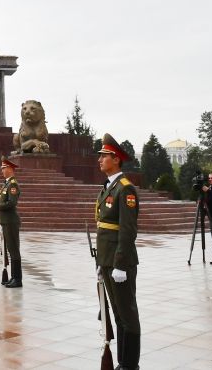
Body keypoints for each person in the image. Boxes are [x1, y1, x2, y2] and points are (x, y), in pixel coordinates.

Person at [95, 133, 140, 370]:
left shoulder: (125, 189)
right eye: (100, 156)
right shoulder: (108, 188)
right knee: (118, 315)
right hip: (108, 260)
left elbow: (127, 231)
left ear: (116, 159)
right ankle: (123, 361)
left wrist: (120, 264)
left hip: (120, 262)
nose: (99, 159)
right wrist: (101, 264)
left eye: (104, 156)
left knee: (128, 316)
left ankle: (130, 364)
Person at [0, 158, 22, 288]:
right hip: (5, 221)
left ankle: (17, 279)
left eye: (4, 168)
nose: (2, 170)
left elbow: (12, 203)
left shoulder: (13, 185)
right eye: (1, 168)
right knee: (10, 250)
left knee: (14, 250)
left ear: (10, 169)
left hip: (11, 221)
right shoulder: (6, 184)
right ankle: (13, 277)